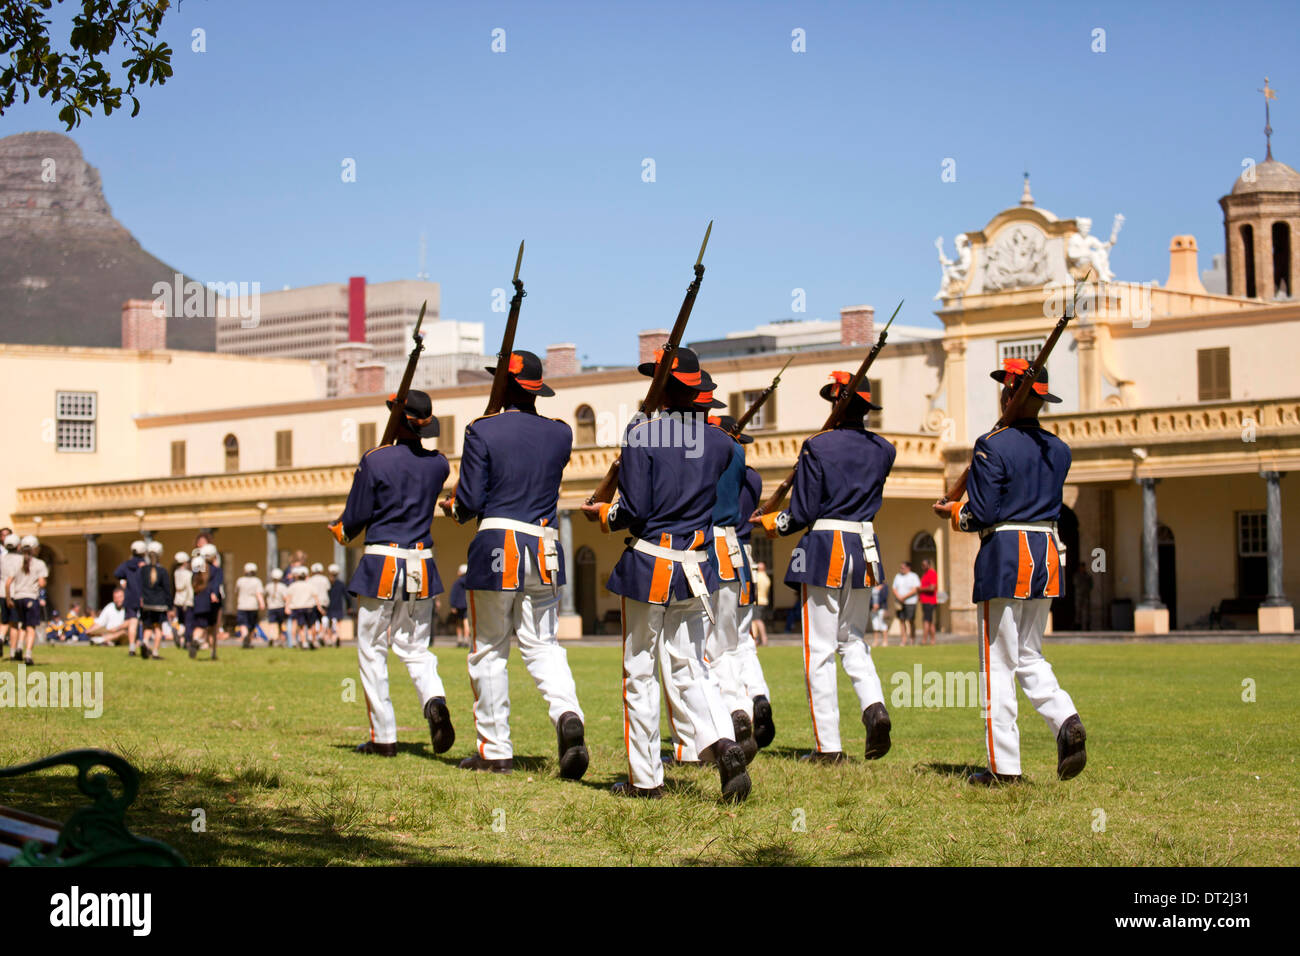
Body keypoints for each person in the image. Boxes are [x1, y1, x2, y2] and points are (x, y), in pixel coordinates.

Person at [582, 346, 751, 802]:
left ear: (663, 386)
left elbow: (635, 510)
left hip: (651, 561)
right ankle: (723, 742)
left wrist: (602, 514)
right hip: (697, 566)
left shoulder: (642, 435)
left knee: (640, 671)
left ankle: (646, 779)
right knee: (690, 665)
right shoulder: (721, 443)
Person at [933, 360, 1087, 785]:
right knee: (1030, 655)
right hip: (1048, 553)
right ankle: (1065, 718)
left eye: (1006, 389)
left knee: (998, 665)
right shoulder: (1059, 448)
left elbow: (982, 514)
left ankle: (1004, 768)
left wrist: (954, 513)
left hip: (1006, 557)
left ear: (1012, 396)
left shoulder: (991, 445)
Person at [442, 349, 588, 778]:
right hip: (543, 545)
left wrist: (455, 506)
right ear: (537, 390)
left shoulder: (481, 430)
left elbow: (469, 502)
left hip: (497, 543)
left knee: (489, 649)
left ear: (501, 387)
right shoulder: (561, 434)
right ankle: (566, 713)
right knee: (544, 645)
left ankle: (495, 749)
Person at [754, 371, 895, 764]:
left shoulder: (817, 446)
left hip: (827, 546)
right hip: (864, 545)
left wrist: (773, 523)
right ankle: (874, 706)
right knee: (853, 641)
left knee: (818, 649)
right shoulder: (884, 449)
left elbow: (803, 512)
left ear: (837, 404)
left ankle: (828, 747)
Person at [330, 388, 455, 758]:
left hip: (382, 560)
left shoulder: (375, 459)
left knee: (372, 649)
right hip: (421, 562)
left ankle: (383, 736)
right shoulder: (439, 464)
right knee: (415, 648)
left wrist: (341, 529)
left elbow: (356, 514)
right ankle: (433, 700)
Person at [5, 535, 48, 665]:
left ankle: (19, 647)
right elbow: (42, 583)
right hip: (30, 597)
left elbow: (8, 583)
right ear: (35, 548)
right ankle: (28, 655)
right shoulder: (39, 563)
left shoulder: (17, 563)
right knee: (31, 627)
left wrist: (8, 599)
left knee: (22, 625)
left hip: (17, 598)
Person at [137, 541, 172, 659]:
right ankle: (155, 652)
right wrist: (170, 606)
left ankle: (145, 642)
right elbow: (167, 590)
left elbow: (139, 586)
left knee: (147, 626)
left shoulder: (143, 570)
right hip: (159, 605)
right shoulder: (162, 571)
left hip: (146, 604)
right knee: (158, 628)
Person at [113, 539, 147, 657]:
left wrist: (125, 579)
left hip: (130, 597)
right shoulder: (144, 565)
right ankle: (143, 642)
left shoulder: (127, 564)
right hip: (143, 597)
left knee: (132, 621)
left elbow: (117, 573)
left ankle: (132, 647)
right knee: (144, 621)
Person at [188, 552, 223, 660]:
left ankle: (196, 639)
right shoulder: (215, 570)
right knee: (212, 627)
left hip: (198, 601)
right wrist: (214, 593)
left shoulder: (198, 569)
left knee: (199, 625)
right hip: (211, 603)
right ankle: (213, 652)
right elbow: (216, 584)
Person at [235, 563, 267, 648]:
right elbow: (259, 594)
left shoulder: (240, 580)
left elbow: (236, 592)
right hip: (253, 606)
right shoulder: (257, 581)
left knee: (243, 623)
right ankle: (248, 639)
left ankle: (245, 636)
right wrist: (262, 603)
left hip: (241, 605)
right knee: (251, 624)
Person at [891, 561, 921, 646]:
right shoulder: (898, 576)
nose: (901, 569)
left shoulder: (913, 576)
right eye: (901, 568)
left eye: (903, 568)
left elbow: (915, 589)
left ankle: (912, 639)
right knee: (902, 620)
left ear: (908, 568)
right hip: (900, 602)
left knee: (911, 620)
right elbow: (894, 588)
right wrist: (899, 597)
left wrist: (904, 597)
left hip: (910, 602)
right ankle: (903, 640)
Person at [0, 532, 19, 656]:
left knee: (3, 621)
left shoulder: (1, 558)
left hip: (1, 592)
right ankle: (12, 653)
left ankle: (1, 637)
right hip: (15, 593)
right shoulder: (21, 559)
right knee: (14, 624)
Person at [171, 551, 193, 649]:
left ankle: (179, 633)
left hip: (177, 600)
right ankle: (187, 641)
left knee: (181, 621)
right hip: (186, 601)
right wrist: (189, 600)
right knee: (188, 622)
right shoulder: (188, 574)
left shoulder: (175, 573)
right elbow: (189, 588)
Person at [265, 567, 289, 646]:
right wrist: (287, 607)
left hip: (271, 608)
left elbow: (264, 595)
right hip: (281, 607)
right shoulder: (283, 587)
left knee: (272, 624)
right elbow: (286, 598)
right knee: (281, 624)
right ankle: (281, 639)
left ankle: (271, 637)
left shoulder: (268, 586)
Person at [308, 562, 330, 646]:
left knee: (313, 622)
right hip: (323, 602)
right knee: (322, 621)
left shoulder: (310, 580)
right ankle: (321, 635)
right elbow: (328, 589)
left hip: (312, 603)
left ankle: (314, 639)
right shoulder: (325, 579)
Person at [919, 558, 939, 645]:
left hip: (929, 601)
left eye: (924, 565)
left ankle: (924, 640)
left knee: (926, 621)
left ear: (928, 565)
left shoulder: (932, 573)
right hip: (925, 601)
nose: (922, 567)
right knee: (930, 621)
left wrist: (920, 589)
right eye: (922, 565)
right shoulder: (925, 574)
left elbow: (932, 587)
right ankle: (932, 641)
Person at [751, 561, 771, 647]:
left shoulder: (758, 577)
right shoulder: (766, 578)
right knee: (756, 620)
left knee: (757, 620)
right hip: (764, 600)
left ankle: (763, 639)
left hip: (758, 601)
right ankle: (757, 639)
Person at [448, 564, 469, 648]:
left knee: (459, 622)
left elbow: (453, 594)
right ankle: (466, 638)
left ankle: (459, 639)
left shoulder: (457, 583)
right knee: (466, 621)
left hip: (458, 605)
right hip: (467, 604)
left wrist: (452, 605)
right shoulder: (470, 582)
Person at [871, 582, 889, 647]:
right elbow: (869, 597)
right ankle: (876, 641)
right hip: (873, 609)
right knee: (875, 624)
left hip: (882, 608)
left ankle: (885, 641)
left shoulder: (884, 586)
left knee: (882, 624)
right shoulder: (871, 586)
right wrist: (873, 605)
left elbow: (885, 596)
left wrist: (878, 604)